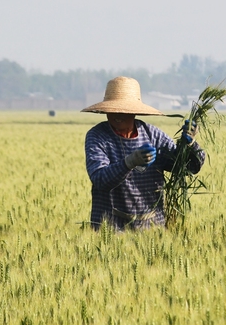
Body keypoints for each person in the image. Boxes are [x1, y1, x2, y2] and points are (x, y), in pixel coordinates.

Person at [82, 77, 204, 231]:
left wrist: (190, 145)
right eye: (113, 110)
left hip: (152, 227)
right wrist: (129, 162)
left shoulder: (153, 135)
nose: (117, 114)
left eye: (124, 110)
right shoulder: (98, 136)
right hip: (111, 228)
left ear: (135, 112)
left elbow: (187, 167)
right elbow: (100, 179)